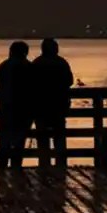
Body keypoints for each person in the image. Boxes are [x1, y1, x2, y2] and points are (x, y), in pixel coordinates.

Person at [32, 38, 74, 168]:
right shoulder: (61, 63)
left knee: (43, 137)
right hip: (58, 106)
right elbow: (70, 81)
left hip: (40, 106)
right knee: (59, 137)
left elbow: (30, 84)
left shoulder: (37, 63)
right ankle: (61, 165)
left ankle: (44, 165)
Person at [0, 41, 33, 169]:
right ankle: (16, 168)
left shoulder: (4, 66)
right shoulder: (29, 67)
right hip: (24, 109)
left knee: (4, 141)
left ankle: (2, 168)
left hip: (5, 108)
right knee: (19, 141)